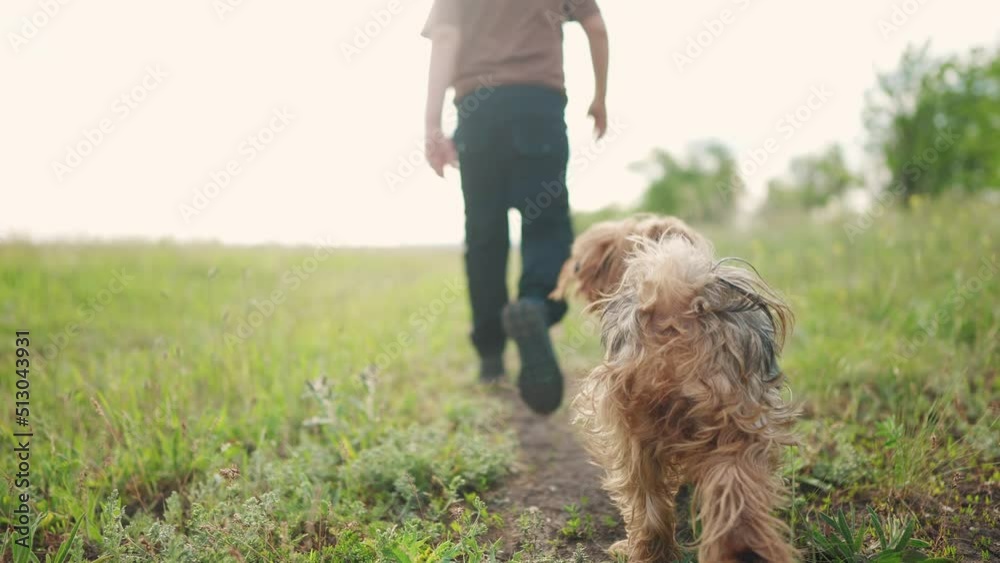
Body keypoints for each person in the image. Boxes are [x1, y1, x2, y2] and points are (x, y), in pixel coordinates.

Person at [422, 0, 609, 415]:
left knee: (485, 235)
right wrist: (599, 97)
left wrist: (432, 125)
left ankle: (491, 358)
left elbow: (447, 37)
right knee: (545, 223)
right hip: (538, 106)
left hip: (477, 110)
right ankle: (536, 306)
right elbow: (595, 26)